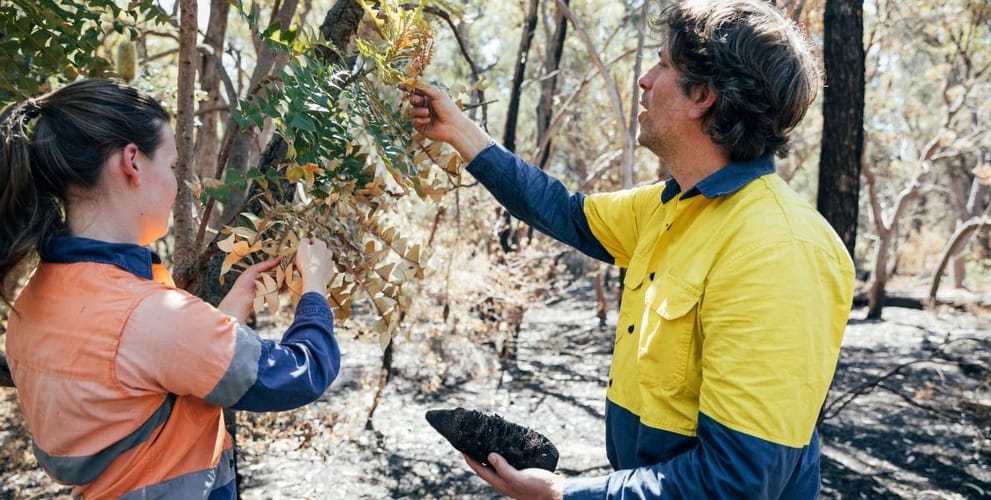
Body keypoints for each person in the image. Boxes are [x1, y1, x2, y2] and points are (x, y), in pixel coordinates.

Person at [407, 0, 855, 498]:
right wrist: (458, 130)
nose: (645, 79)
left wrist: (562, 494)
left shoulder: (779, 249)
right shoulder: (671, 207)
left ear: (703, 95)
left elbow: (735, 482)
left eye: (662, 64)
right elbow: (567, 213)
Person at [0, 79, 341, 499]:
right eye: (173, 165)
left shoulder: (30, 305)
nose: (178, 183)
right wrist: (315, 289)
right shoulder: (146, 314)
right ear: (132, 162)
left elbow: (135, 387)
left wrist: (223, 321)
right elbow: (301, 373)